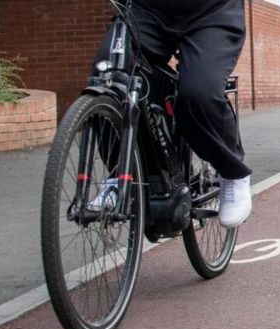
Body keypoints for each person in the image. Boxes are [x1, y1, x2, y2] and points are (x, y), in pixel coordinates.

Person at [90, 0, 252, 228]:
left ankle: (232, 172)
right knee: (108, 76)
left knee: (199, 93)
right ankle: (120, 174)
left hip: (212, 13)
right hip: (147, 10)